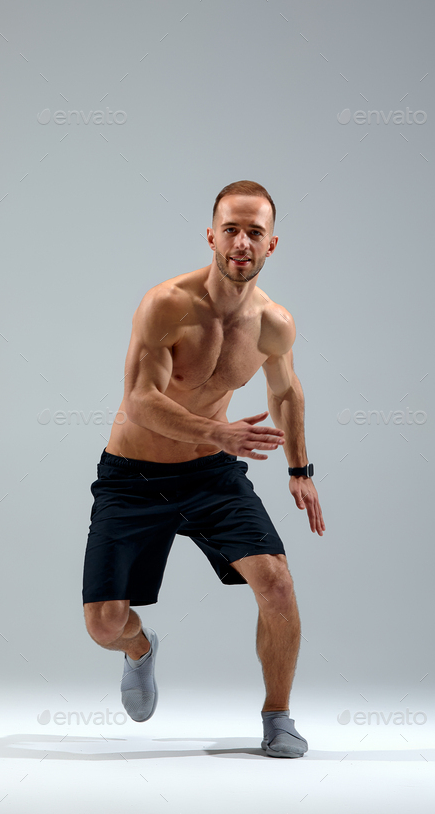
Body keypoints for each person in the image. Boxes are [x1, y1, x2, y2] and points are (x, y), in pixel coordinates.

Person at [82, 180, 325, 758]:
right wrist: (219, 430)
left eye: (255, 232)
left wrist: (300, 468)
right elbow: (140, 399)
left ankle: (278, 717)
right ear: (211, 235)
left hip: (212, 475)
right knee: (104, 625)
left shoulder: (274, 323)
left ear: (271, 246)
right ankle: (140, 648)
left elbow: (286, 392)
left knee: (278, 583)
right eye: (232, 229)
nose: (242, 242)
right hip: (134, 476)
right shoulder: (167, 304)